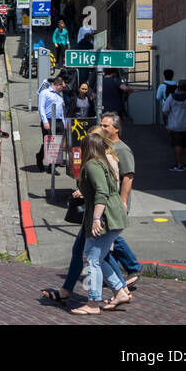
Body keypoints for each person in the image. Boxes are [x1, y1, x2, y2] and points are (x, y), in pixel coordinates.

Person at [68, 130, 131, 315]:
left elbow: (102, 193)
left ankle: (93, 303)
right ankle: (120, 291)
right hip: (114, 215)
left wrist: (96, 219)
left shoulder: (92, 165)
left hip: (106, 217)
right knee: (96, 256)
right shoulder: (102, 163)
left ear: (87, 147)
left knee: (91, 258)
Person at [100, 111, 142, 287]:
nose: (102, 128)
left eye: (105, 126)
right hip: (108, 200)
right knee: (108, 237)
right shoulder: (106, 146)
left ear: (115, 129)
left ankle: (133, 267)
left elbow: (128, 176)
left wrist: (123, 201)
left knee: (111, 237)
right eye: (101, 125)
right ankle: (113, 272)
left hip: (116, 201)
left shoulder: (122, 150)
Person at [162, 79, 186, 172]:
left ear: (178, 87)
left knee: (177, 145)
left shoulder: (171, 98)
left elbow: (165, 110)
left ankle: (179, 165)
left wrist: (168, 121)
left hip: (175, 126)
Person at [36, 75, 67, 169]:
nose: (63, 89)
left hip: (59, 121)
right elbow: (41, 108)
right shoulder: (45, 93)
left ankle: (52, 167)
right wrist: (45, 122)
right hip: (49, 120)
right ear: (58, 85)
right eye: (63, 86)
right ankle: (39, 157)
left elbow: (61, 110)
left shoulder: (59, 95)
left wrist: (63, 122)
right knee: (48, 142)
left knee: (58, 144)